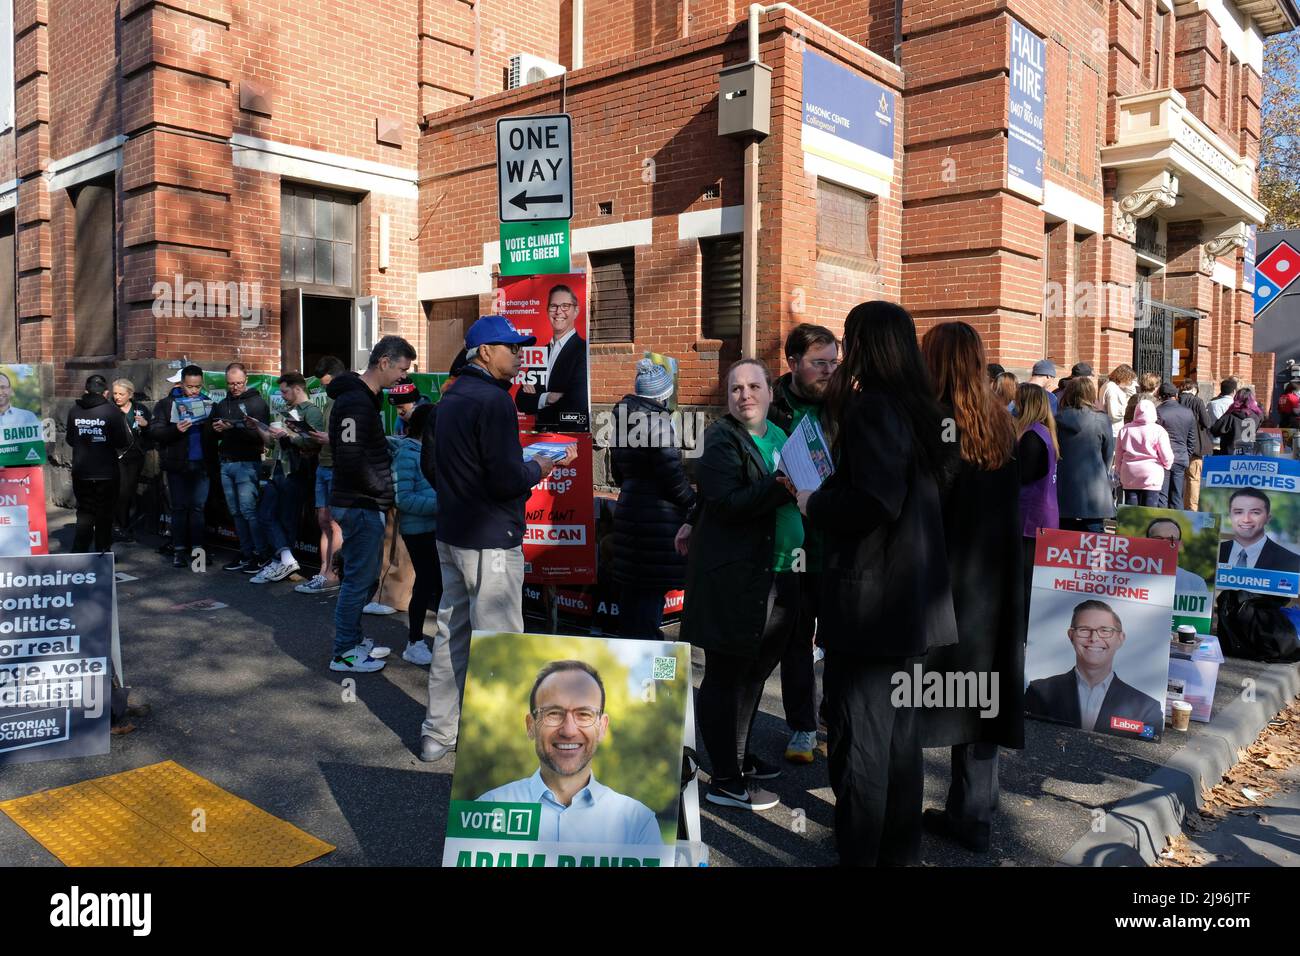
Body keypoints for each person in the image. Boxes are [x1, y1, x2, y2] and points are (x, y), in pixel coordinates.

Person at [799, 300, 958, 866]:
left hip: (872, 608)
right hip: (912, 606)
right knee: (898, 743)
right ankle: (897, 855)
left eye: (849, 338)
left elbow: (875, 501)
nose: (842, 350)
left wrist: (813, 499)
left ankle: (862, 856)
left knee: (860, 743)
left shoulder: (873, 409)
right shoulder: (923, 409)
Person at [419, 316, 576, 762]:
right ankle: (501, 743)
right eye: (511, 347)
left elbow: (442, 467)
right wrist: (540, 468)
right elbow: (507, 478)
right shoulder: (493, 400)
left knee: (453, 633)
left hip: (452, 533)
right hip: (490, 539)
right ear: (485, 352)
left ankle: (438, 732)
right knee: (502, 642)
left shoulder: (450, 398)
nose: (520, 354)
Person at [918, 321, 1024, 854]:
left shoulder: (936, 426)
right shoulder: (1002, 425)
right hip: (997, 584)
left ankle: (897, 811)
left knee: (914, 696)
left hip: (945, 585)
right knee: (984, 697)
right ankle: (975, 813)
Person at [683, 357, 800, 812]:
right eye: (736, 388)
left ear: (771, 393)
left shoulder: (777, 435)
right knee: (725, 675)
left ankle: (739, 752)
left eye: (754, 386)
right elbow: (726, 503)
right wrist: (781, 485)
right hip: (734, 578)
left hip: (781, 571)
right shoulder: (720, 439)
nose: (745, 395)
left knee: (754, 672)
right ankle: (727, 780)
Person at [476, 660, 662, 845]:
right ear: (531, 726)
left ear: (602, 727)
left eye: (584, 714)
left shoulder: (639, 825)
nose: (569, 730)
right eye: (553, 713)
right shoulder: (486, 810)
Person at [767, 322, 838, 765]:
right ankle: (802, 727)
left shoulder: (846, 406)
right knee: (795, 640)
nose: (828, 371)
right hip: (790, 543)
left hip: (836, 542)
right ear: (793, 362)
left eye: (834, 362)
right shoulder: (769, 403)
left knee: (837, 638)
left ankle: (832, 720)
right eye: (818, 363)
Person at [327, 336, 416, 672]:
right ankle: (345, 652)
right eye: (401, 369)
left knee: (360, 577)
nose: (403, 378)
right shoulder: (356, 402)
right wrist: (385, 489)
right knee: (358, 581)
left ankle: (352, 639)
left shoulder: (362, 400)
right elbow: (351, 459)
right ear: (384, 362)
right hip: (359, 503)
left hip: (360, 502)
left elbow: (359, 451)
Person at [609, 358, 695, 641]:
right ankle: (648, 675)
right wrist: (693, 503)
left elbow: (617, 472)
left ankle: (627, 668)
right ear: (664, 393)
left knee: (633, 600)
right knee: (649, 603)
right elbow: (671, 474)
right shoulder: (657, 422)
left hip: (629, 510)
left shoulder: (622, 416)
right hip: (656, 523)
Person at [1024, 599, 1164, 737]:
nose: (1094, 638)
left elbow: (1148, 740)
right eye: (1084, 630)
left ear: (1120, 638)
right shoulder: (1039, 691)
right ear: (1071, 636)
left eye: (1105, 630)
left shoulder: (1146, 708)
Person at [249, 372, 323, 584]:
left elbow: (314, 442)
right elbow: (272, 444)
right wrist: (259, 429)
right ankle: (285, 559)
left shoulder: (312, 411)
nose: (281, 395)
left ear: (297, 388)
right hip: (279, 468)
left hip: (297, 471)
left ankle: (281, 562)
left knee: (287, 520)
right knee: (265, 514)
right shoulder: (286, 412)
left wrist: (289, 436)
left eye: (284, 391)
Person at [149, 364, 215, 570]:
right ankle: (178, 550)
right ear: (181, 384)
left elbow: (213, 436)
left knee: (198, 508)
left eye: (197, 386)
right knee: (179, 507)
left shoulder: (208, 403)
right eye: (189, 387)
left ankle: (197, 551)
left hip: (201, 463)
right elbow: (155, 432)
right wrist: (175, 430)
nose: (194, 391)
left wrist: (218, 429)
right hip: (177, 464)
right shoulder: (166, 404)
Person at [210, 362, 271, 574]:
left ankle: (260, 554)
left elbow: (261, 434)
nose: (234, 387)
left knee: (248, 511)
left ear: (246, 380)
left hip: (247, 462)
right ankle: (246, 552)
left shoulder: (256, 403)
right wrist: (216, 428)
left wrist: (233, 426)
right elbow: (214, 431)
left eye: (238, 383)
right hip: (226, 462)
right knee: (235, 512)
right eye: (230, 383)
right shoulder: (222, 404)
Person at [391, 401, 437, 666]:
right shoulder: (407, 455)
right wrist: (441, 506)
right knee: (426, 582)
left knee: (437, 583)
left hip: (435, 527)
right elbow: (403, 498)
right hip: (418, 530)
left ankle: (435, 639)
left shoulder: (430, 450)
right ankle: (415, 641)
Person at [297, 356, 345, 595]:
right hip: (323, 465)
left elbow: (352, 438)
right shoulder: (330, 400)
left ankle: (332, 574)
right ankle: (323, 570)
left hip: (336, 467)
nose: (326, 389)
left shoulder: (345, 399)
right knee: (323, 521)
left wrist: (329, 438)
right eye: (324, 386)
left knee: (335, 524)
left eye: (328, 384)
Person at [66, 374, 130, 553]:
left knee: (85, 512)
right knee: (105, 514)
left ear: (86, 391)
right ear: (106, 392)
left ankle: (79, 553)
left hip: (81, 471)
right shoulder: (111, 411)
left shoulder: (74, 410)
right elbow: (122, 442)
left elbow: (71, 439)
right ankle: (102, 553)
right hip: (106, 472)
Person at [515, 284, 589, 430]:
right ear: (547, 311)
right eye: (553, 306)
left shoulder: (583, 350)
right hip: (540, 436)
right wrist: (549, 397)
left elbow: (576, 403)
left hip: (569, 437)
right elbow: (521, 400)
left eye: (565, 306)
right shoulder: (542, 352)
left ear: (576, 311)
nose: (558, 311)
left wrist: (538, 400)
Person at [1013, 383, 1059, 601]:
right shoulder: (1044, 432)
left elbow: (1024, 475)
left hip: (1031, 515)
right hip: (1043, 511)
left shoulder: (1031, 436)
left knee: (1027, 577)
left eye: (1018, 400)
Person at [1054, 376, 1114, 534]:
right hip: (1094, 486)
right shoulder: (1101, 420)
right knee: (1094, 545)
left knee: (1063, 541)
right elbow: (1108, 453)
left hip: (1064, 484)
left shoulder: (1055, 419)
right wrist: (1102, 471)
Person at [1217, 489, 1300, 573]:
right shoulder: (1213, 553)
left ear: (1268, 518)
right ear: (1230, 516)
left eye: (1255, 513)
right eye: (1238, 512)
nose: (1246, 520)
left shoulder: (1293, 562)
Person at [110, 378, 152, 542]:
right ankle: (118, 525)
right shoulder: (110, 410)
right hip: (116, 456)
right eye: (115, 393)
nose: (117, 397)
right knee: (120, 491)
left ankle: (123, 524)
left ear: (130, 394)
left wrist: (146, 425)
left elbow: (151, 432)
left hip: (135, 456)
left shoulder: (140, 409)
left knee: (129, 491)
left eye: (121, 394)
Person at [1115, 398, 1173, 507]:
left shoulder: (1125, 429)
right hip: (1151, 474)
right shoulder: (1159, 430)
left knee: (1131, 512)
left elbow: (1118, 454)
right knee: (1149, 512)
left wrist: (1119, 470)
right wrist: (1167, 465)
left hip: (1129, 474)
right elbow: (1166, 456)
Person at [1154, 382, 1198, 510]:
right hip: (1181, 457)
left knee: (1162, 495)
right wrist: (1186, 454)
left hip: (1162, 458)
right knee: (1177, 495)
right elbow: (1191, 439)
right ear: (1176, 395)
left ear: (1161, 396)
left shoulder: (1158, 412)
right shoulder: (1188, 412)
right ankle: (1177, 524)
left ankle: (1162, 525)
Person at [1144, 519, 1210, 598]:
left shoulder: (1196, 583)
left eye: (1171, 539)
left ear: (1180, 545)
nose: (1164, 543)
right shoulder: (1128, 577)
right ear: (1146, 542)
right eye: (1157, 538)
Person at [1178, 380, 1215, 512]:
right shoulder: (1197, 401)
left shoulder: (1176, 401)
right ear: (1194, 389)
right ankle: (1192, 509)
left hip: (1178, 446)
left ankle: (1177, 507)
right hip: (1196, 446)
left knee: (1179, 479)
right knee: (1194, 479)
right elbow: (1207, 423)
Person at [1210, 387, 1264, 453]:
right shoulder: (1256, 417)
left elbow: (1215, 430)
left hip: (1230, 454)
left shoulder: (1230, 416)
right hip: (1248, 453)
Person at [1096, 365, 1138, 441]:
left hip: (1109, 428)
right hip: (1113, 430)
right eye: (1129, 379)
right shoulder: (1112, 389)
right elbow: (1114, 415)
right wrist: (1127, 408)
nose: (1130, 382)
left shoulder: (1109, 385)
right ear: (1124, 377)